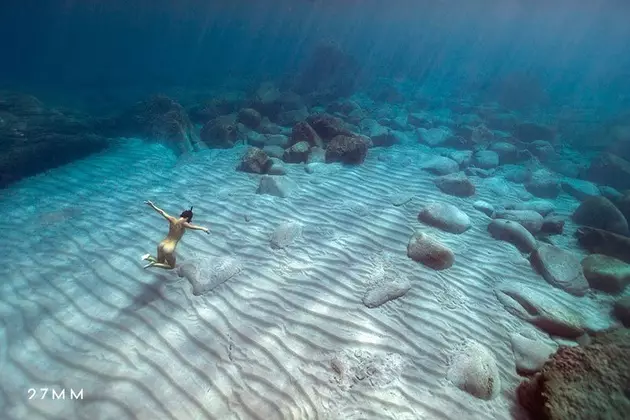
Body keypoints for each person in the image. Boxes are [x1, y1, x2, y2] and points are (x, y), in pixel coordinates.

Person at [142, 200, 209, 269]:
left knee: (160, 262)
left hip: (161, 244)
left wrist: (152, 205)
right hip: (169, 248)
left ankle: (149, 258)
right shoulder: (184, 224)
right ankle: (153, 264)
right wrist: (204, 228)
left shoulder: (172, 219)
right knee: (171, 267)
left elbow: (161, 212)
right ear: (188, 218)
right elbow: (193, 227)